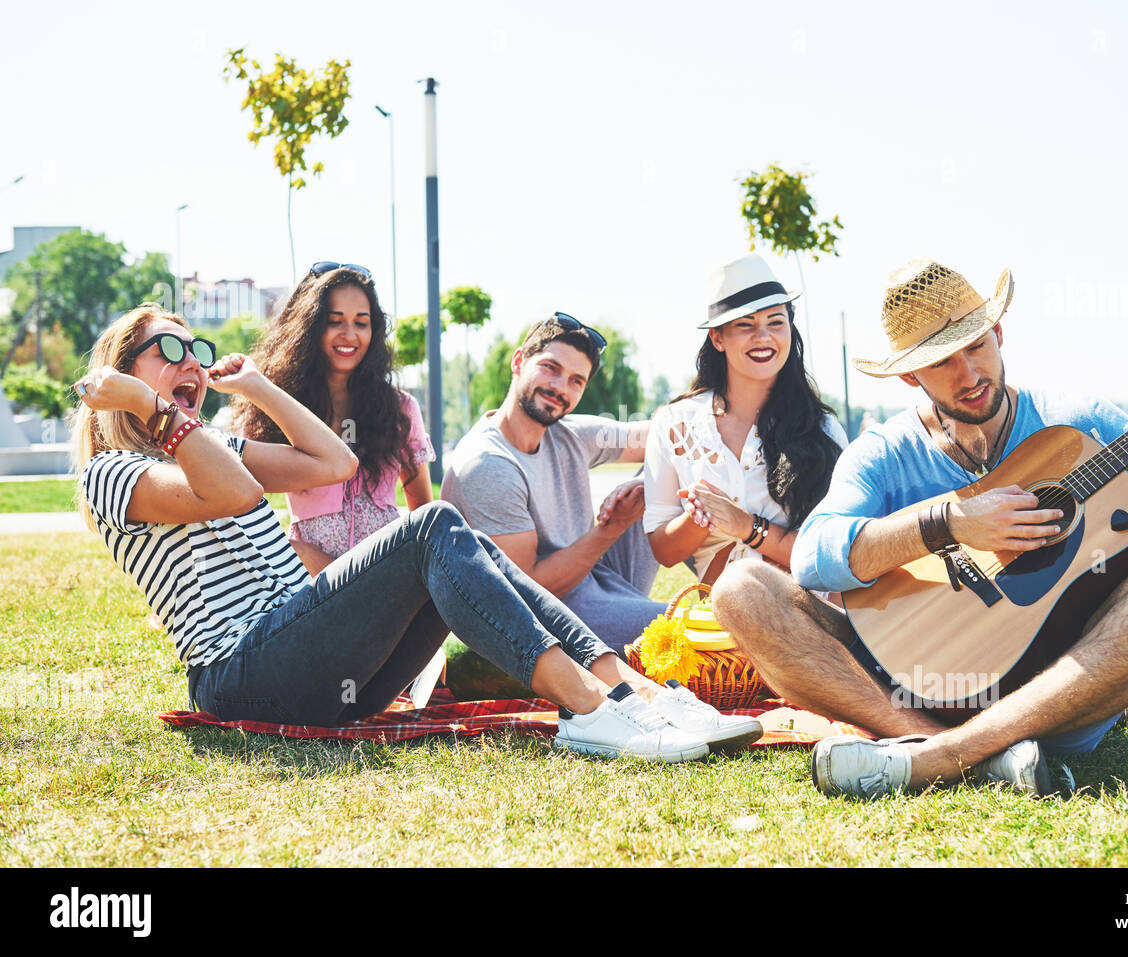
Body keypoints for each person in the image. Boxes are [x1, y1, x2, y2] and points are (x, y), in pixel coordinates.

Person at [70, 305, 764, 760]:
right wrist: (150, 410)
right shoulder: (113, 472)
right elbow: (236, 493)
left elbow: (334, 461)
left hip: (323, 670)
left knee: (463, 542)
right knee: (431, 525)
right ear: (121, 370)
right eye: (168, 349)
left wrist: (254, 386)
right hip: (243, 675)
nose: (190, 362)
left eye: (198, 350)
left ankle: (631, 695)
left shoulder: (215, 444)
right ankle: (587, 708)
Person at [710, 258, 1128, 798]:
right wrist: (949, 523)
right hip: (910, 683)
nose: (968, 374)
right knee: (741, 590)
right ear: (910, 377)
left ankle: (938, 757)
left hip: (1053, 697)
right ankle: (946, 745)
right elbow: (813, 555)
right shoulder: (885, 452)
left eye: (976, 346)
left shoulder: (1079, 422)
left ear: (1000, 336)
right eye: (941, 361)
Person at [441, 313, 664, 655]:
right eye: (550, 368)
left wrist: (716, 406)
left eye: (576, 381)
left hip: (594, 577)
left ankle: (744, 572)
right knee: (688, 632)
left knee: (670, 462)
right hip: (549, 618)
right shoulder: (487, 465)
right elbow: (528, 593)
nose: (561, 387)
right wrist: (612, 526)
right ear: (519, 361)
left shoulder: (568, 434)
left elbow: (659, 436)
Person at [642, 254, 847, 586]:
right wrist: (699, 516)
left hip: (804, 617)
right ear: (718, 338)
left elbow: (832, 550)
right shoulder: (673, 424)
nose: (763, 336)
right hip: (715, 625)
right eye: (745, 324)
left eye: (776, 322)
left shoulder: (821, 429)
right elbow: (665, 553)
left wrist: (747, 526)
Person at [235, 262, 434, 576]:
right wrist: (295, 552)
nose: (350, 334)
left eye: (362, 322)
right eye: (335, 321)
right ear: (311, 327)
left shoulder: (400, 409)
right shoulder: (278, 408)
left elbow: (424, 512)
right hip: (312, 581)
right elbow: (237, 499)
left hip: (390, 577)